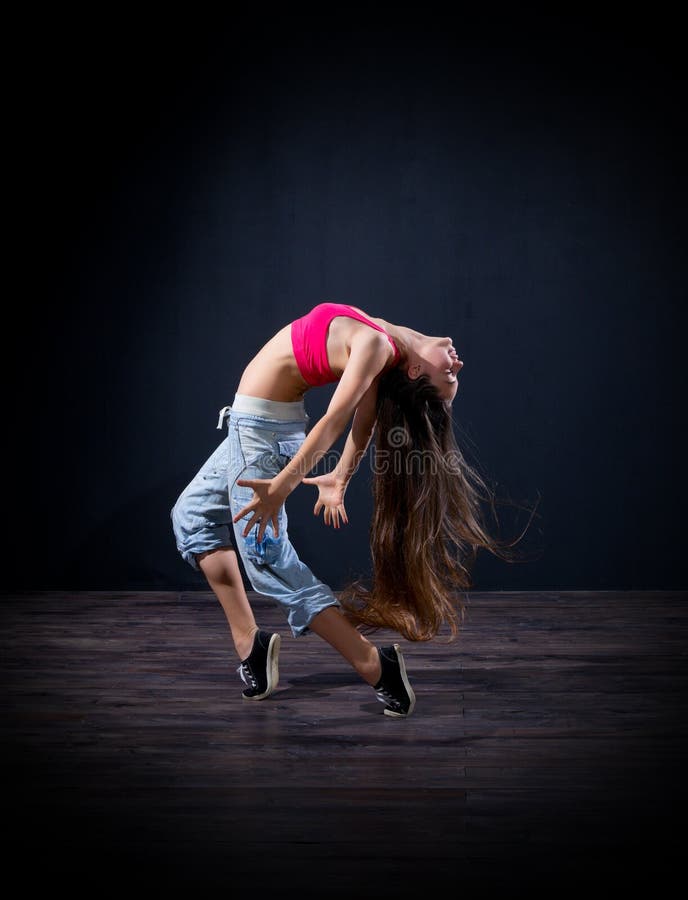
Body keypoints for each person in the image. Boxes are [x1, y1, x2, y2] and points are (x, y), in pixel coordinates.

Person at [171, 301, 509, 717]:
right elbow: (364, 419)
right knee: (193, 517)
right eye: (453, 375)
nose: (457, 364)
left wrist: (282, 486)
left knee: (268, 560)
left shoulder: (376, 345)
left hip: (260, 436)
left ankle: (375, 667)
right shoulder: (386, 343)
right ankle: (250, 645)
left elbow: (335, 421)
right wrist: (339, 480)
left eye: (450, 376)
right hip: (255, 431)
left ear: (419, 373)